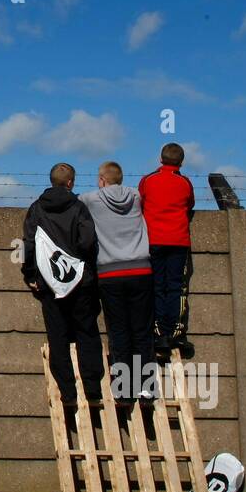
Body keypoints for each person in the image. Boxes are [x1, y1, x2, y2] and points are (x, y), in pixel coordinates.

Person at [21, 162, 103, 411]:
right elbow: (88, 242)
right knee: (87, 332)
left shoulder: (36, 209)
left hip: (48, 282)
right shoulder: (79, 208)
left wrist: (30, 275)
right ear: (71, 183)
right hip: (81, 282)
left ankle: (67, 392)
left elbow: (28, 244)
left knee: (57, 336)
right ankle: (92, 389)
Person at [80, 161, 154, 404]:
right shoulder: (134, 196)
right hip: (141, 270)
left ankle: (124, 388)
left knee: (119, 330)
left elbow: (74, 201)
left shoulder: (92, 199)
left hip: (110, 273)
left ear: (101, 180)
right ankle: (146, 388)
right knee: (142, 330)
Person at [138, 143, 196, 361]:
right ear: (181, 162)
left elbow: (142, 202)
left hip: (153, 240)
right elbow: (189, 204)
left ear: (160, 159)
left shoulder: (148, 180)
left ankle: (158, 331)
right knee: (177, 287)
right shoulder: (184, 182)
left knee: (156, 285)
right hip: (178, 241)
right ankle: (176, 332)